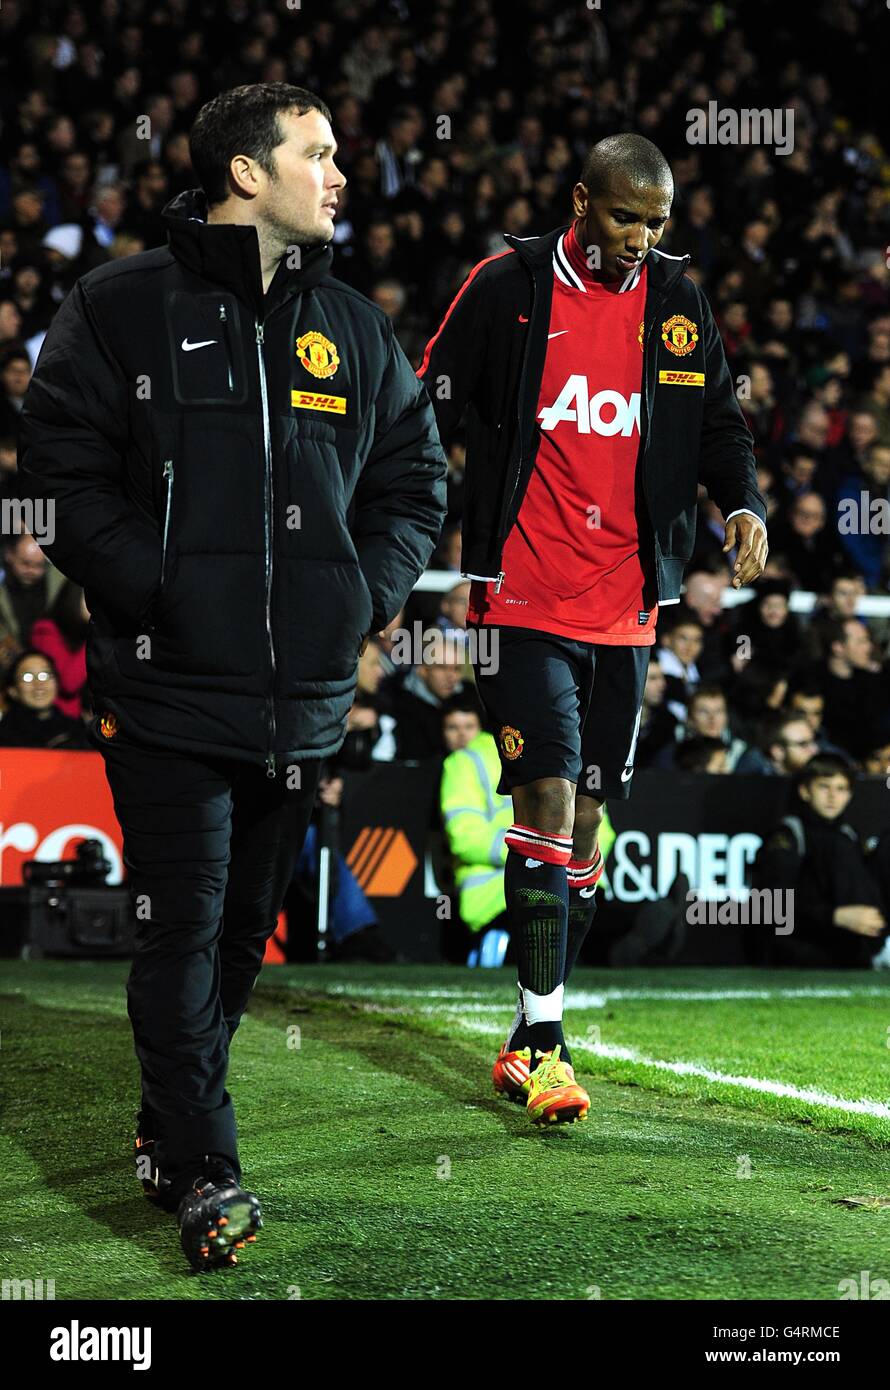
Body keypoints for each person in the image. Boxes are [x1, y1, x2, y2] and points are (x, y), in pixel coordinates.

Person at [17, 83, 447, 1271]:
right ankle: (209, 1172)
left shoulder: (353, 328)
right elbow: (56, 470)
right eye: (316, 153)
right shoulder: (120, 306)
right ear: (245, 173)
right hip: (165, 688)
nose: (340, 172)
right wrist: (151, 585)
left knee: (239, 939)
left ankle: (166, 1130)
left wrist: (359, 595)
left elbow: (415, 484)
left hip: (299, 703)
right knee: (184, 925)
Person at [418, 132, 767, 1127]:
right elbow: (426, 396)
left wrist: (737, 501)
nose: (639, 240)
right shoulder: (509, 283)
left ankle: (528, 1031)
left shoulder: (676, 302)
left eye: (655, 224)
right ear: (580, 201)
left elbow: (718, 426)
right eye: (624, 218)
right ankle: (541, 1040)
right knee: (547, 792)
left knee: (587, 823)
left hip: (628, 605)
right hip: (522, 595)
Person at [753, 756, 888, 968]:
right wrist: (834, 917)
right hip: (798, 943)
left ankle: (881, 942)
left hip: (846, 940)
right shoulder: (789, 834)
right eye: (824, 786)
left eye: (841, 788)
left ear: (850, 795)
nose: (833, 796)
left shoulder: (847, 835)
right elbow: (773, 904)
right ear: (805, 791)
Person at [0, 648, 88, 748]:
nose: (38, 684)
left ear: (57, 684)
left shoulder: (76, 730)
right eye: (27, 677)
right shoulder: (4, 735)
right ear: (13, 690)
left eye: (45, 675)